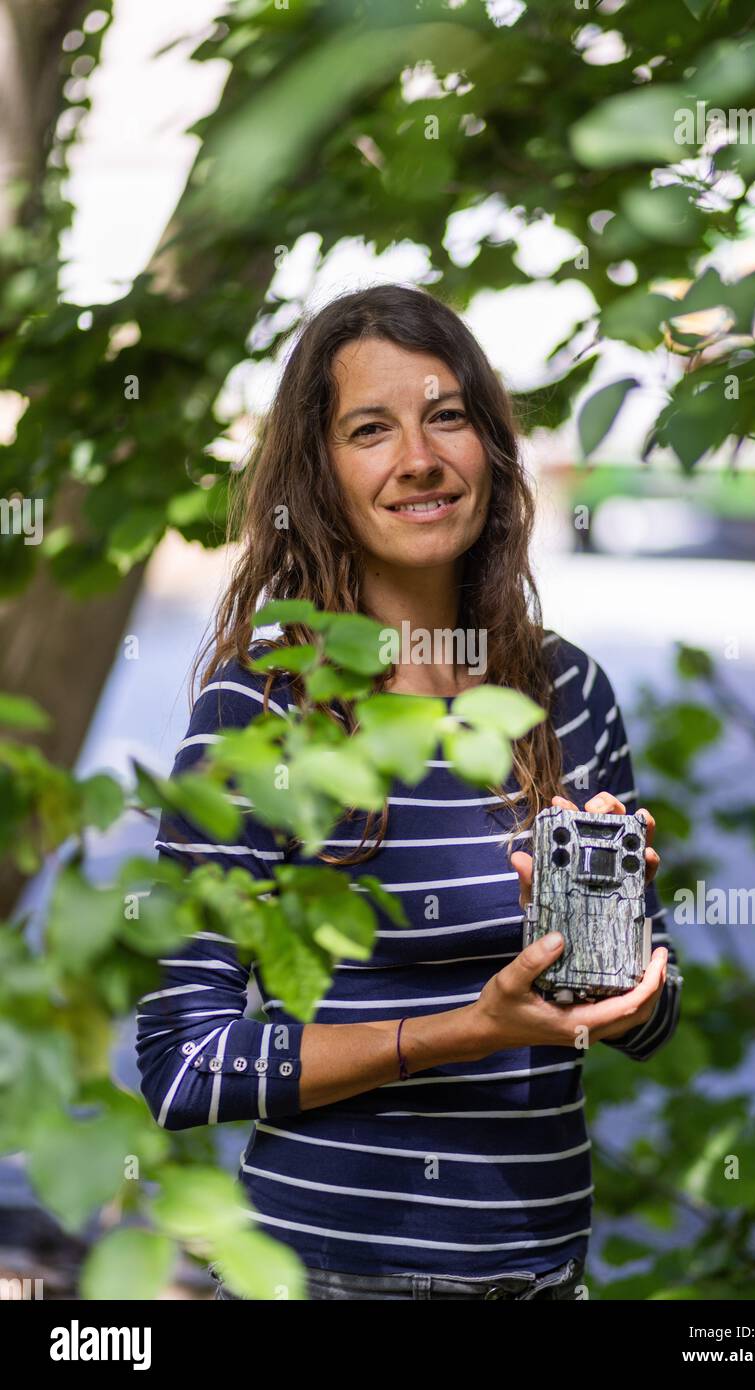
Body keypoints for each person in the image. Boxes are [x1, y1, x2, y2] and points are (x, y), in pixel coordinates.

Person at [136, 283, 682, 1301]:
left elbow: (649, 1020)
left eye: (447, 416)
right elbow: (183, 1061)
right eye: (370, 429)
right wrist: (471, 1028)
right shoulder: (258, 716)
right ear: (320, 475)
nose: (420, 459)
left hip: (541, 1273)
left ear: (492, 448)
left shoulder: (568, 695)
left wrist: (616, 959)